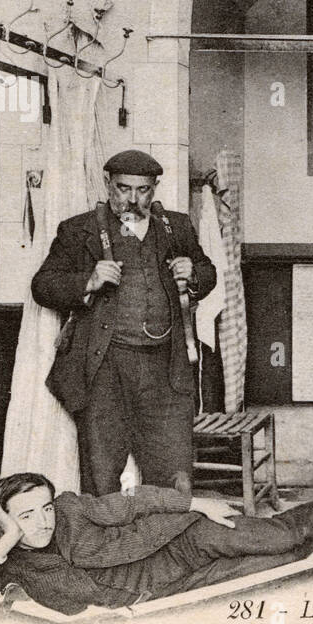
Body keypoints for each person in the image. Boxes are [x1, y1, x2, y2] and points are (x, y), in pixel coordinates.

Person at [33, 149, 216, 496]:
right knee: (102, 475)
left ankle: (164, 543)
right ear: (107, 184)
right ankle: (107, 547)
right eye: (123, 188)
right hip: (105, 368)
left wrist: (194, 274)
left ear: (155, 188)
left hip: (165, 369)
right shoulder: (78, 230)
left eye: (143, 190)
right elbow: (42, 285)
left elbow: (207, 272)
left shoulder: (175, 227)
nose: (132, 199)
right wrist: (87, 280)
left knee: (172, 473)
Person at [0, 472, 313, 616]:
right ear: (4, 524)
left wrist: (196, 503)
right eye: (25, 516)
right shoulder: (13, 563)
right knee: (283, 560)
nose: (43, 522)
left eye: (45, 508)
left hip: (182, 539)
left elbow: (133, 503)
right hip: (166, 587)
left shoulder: (72, 508)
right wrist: (5, 542)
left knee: (277, 538)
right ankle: (309, 525)